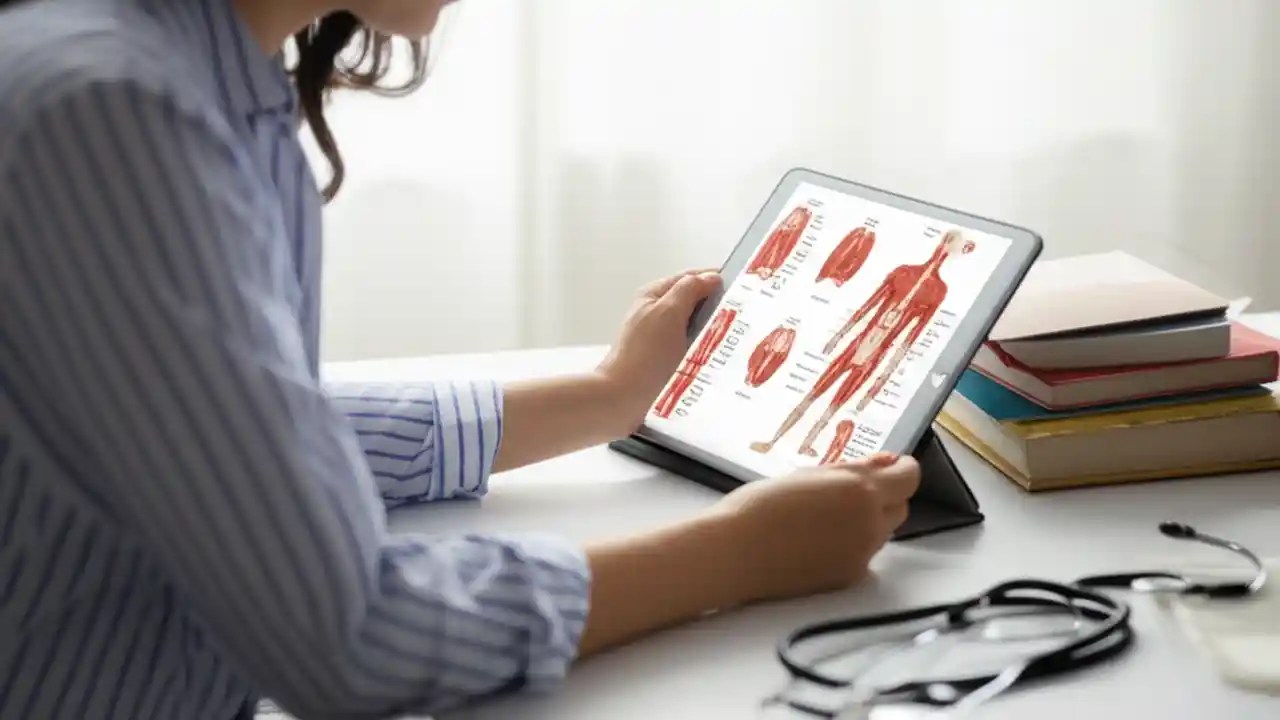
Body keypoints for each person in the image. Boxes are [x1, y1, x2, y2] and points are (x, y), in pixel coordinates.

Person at [0, 1, 922, 718]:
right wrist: (739, 556)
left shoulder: (188, 79)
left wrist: (607, 397)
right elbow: (347, 639)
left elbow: (231, 434)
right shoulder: (113, 115)